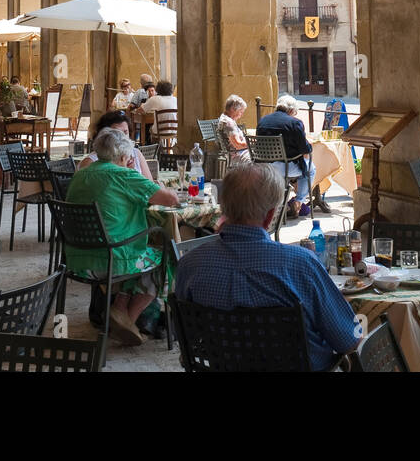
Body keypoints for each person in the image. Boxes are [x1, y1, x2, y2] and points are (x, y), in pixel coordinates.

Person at [174, 163, 359, 371]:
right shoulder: (301, 265)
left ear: (223, 208)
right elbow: (350, 340)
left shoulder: (189, 265)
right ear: (270, 216)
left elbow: (184, 334)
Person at [65, 127, 180, 344]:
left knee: (137, 252)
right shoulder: (124, 175)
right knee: (166, 256)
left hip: (78, 259)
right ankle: (129, 318)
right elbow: (169, 199)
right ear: (123, 156)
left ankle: (119, 307)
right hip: (111, 260)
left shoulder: (82, 174)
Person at [256, 95, 314, 217]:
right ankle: (299, 201)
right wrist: (309, 144)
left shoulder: (263, 121)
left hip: (264, 166)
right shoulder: (295, 123)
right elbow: (305, 149)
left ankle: (282, 203)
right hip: (285, 167)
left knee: (304, 164)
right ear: (292, 110)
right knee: (311, 169)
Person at [78, 111, 154, 179]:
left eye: (125, 132)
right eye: (117, 133)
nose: (122, 137)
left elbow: (150, 184)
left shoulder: (136, 154)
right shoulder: (90, 163)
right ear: (104, 135)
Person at [215, 94, 251, 165]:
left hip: (239, 154)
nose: (241, 115)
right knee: (262, 159)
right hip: (239, 156)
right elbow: (237, 145)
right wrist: (253, 144)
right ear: (233, 109)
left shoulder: (225, 118)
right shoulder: (229, 123)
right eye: (241, 112)